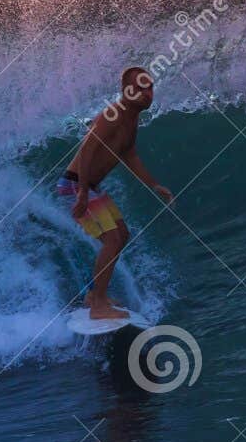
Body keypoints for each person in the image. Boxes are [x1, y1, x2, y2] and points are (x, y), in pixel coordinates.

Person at [56, 66, 173, 319]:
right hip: (75, 186)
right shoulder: (113, 115)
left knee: (121, 234)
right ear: (126, 91)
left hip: (88, 187)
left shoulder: (131, 121)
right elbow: (86, 150)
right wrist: (82, 194)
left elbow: (129, 156)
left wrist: (154, 184)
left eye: (150, 88)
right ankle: (98, 305)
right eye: (140, 89)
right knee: (112, 239)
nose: (147, 94)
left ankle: (93, 295)